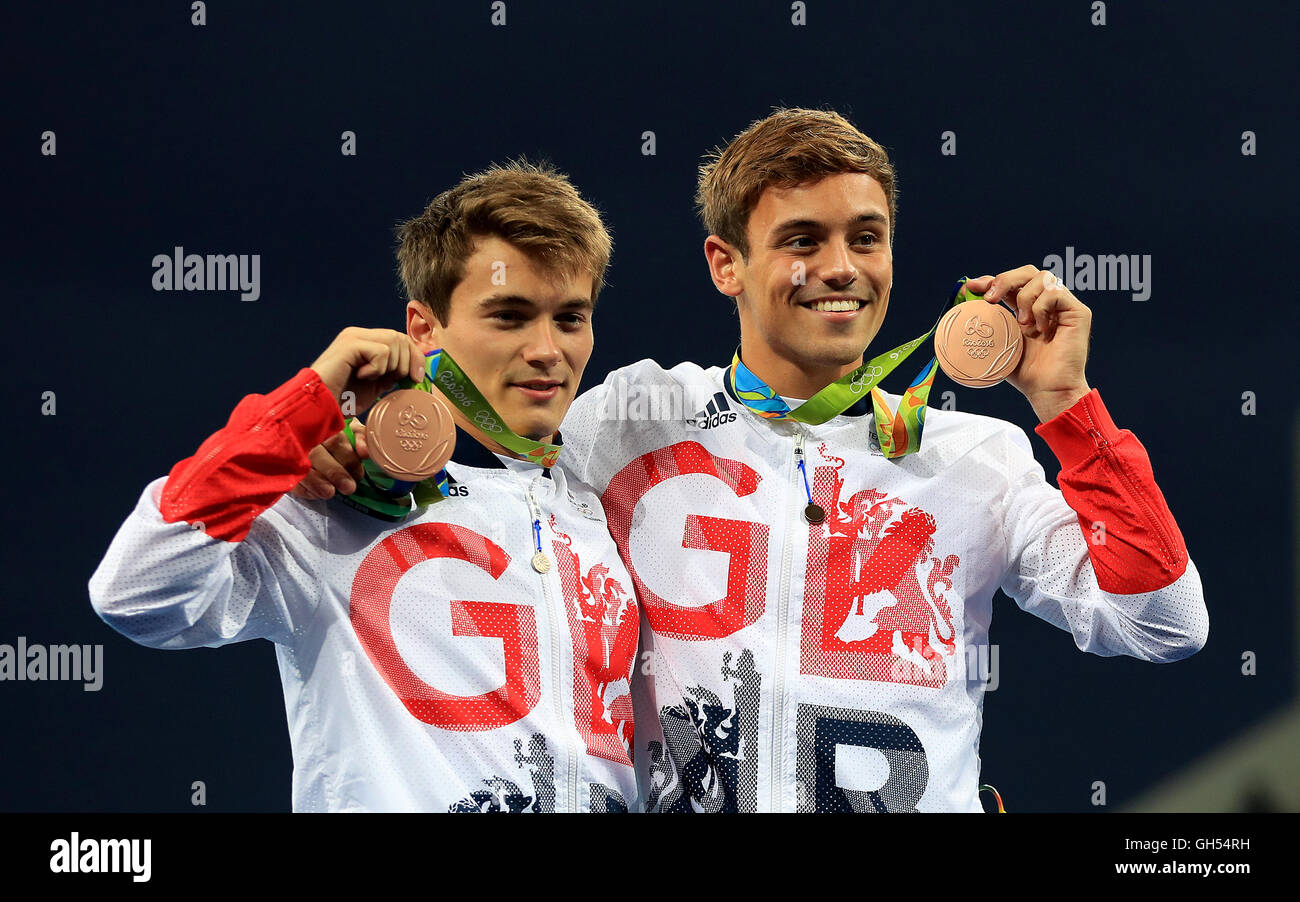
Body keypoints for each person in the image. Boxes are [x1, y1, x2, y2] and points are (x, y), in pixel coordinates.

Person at [301, 110, 1209, 812]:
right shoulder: (627, 421)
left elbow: (1163, 623)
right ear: (725, 264)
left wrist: (1068, 409)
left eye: (866, 236)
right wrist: (329, 453)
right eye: (802, 240)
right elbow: (482, 478)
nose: (842, 266)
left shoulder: (978, 458)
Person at [88, 161, 640, 813]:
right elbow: (135, 592)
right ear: (424, 327)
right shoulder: (332, 500)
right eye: (510, 316)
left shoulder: (600, 510)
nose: (548, 349)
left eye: (571, 319)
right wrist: (300, 416)